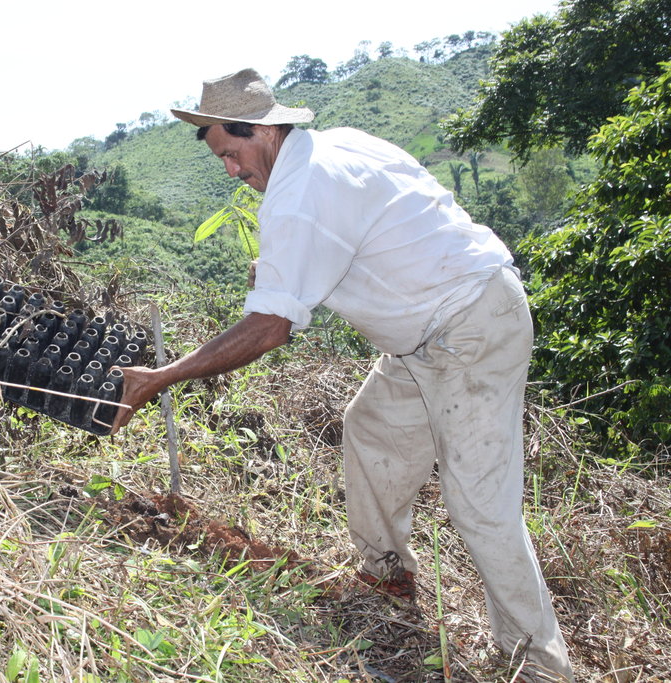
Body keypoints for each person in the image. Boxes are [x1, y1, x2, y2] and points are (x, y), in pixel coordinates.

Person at [110, 68, 574, 681]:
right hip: (426, 335)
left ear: (265, 130)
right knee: (371, 430)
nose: (230, 170)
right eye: (219, 157)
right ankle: (387, 575)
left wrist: (160, 378)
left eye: (232, 152)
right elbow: (380, 226)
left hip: (469, 326)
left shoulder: (302, 193)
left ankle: (537, 663)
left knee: (479, 504)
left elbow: (269, 328)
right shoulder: (341, 145)